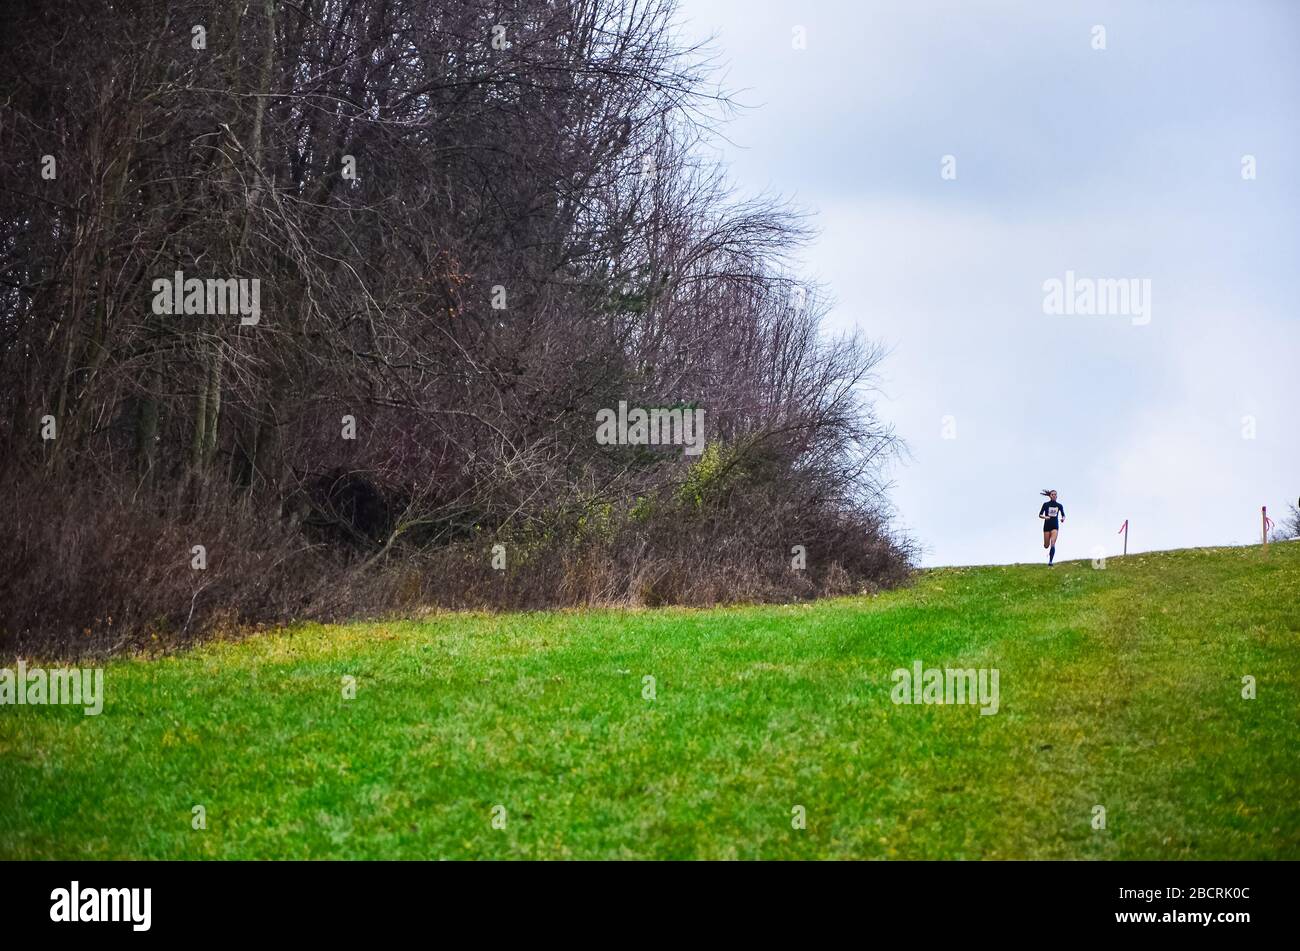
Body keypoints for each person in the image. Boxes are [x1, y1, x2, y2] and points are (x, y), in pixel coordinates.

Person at [1038, 489, 1064, 566]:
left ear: (1057, 496)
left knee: (1053, 543)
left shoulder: (1059, 505)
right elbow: (1040, 514)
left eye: (1055, 494)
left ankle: (1050, 561)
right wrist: (1045, 517)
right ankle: (1048, 549)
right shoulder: (1045, 504)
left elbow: (1063, 515)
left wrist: (1063, 519)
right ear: (1050, 496)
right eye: (1052, 494)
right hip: (1046, 526)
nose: (1054, 495)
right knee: (1046, 546)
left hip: (1055, 526)